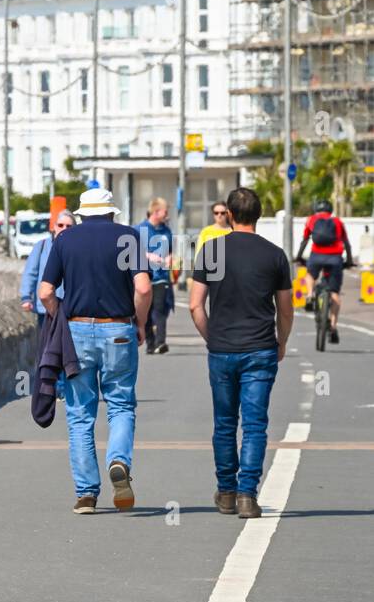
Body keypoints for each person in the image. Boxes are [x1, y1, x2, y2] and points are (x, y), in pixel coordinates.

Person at [39, 186, 152, 514]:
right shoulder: (129, 237)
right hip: (118, 327)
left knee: (79, 413)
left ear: (82, 213)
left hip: (76, 331)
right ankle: (118, 460)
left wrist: (59, 316)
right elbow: (143, 288)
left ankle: (86, 494)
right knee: (120, 404)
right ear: (111, 212)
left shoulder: (64, 241)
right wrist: (140, 323)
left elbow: (46, 291)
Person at [189, 187, 293, 519]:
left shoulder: (210, 251)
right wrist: (281, 341)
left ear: (229, 215)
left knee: (224, 423)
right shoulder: (275, 255)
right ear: (258, 216)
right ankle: (248, 494)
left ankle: (226, 492)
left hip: (221, 349)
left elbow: (195, 305)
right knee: (255, 424)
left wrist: (211, 337)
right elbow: (286, 309)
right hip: (260, 348)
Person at [296, 199, 354, 344]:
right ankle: (333, 326)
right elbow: (346, 243)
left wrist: (298, 257)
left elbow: (305, 240)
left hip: (316, 256)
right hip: (335, 258)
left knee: (310, 275)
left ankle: (309, 295)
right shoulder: (337, 222)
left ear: (316, 209)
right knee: (334, 294)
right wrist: (349, 261)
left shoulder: (312, 220)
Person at [21, 210, 76, 329]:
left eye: (68, 226)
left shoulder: (78, 248)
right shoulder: (41, 246)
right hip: (46, 309)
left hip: (71, 310)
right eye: (60, 225)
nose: (64, 228)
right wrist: (26, 297)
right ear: (54, 227)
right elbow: (30, 273)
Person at [135, 197, 175, 354]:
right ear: (156, 211)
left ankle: (161, 342)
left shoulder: (167, 230)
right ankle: (150, 343)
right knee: (146, 311)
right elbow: (132, 250)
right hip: (144, 276)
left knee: (160, 309)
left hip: (162, 277)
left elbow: (170, 250)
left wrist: (170, 258)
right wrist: (149, 256)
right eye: (165, 211)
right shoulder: (139, 229)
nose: (167, 214)